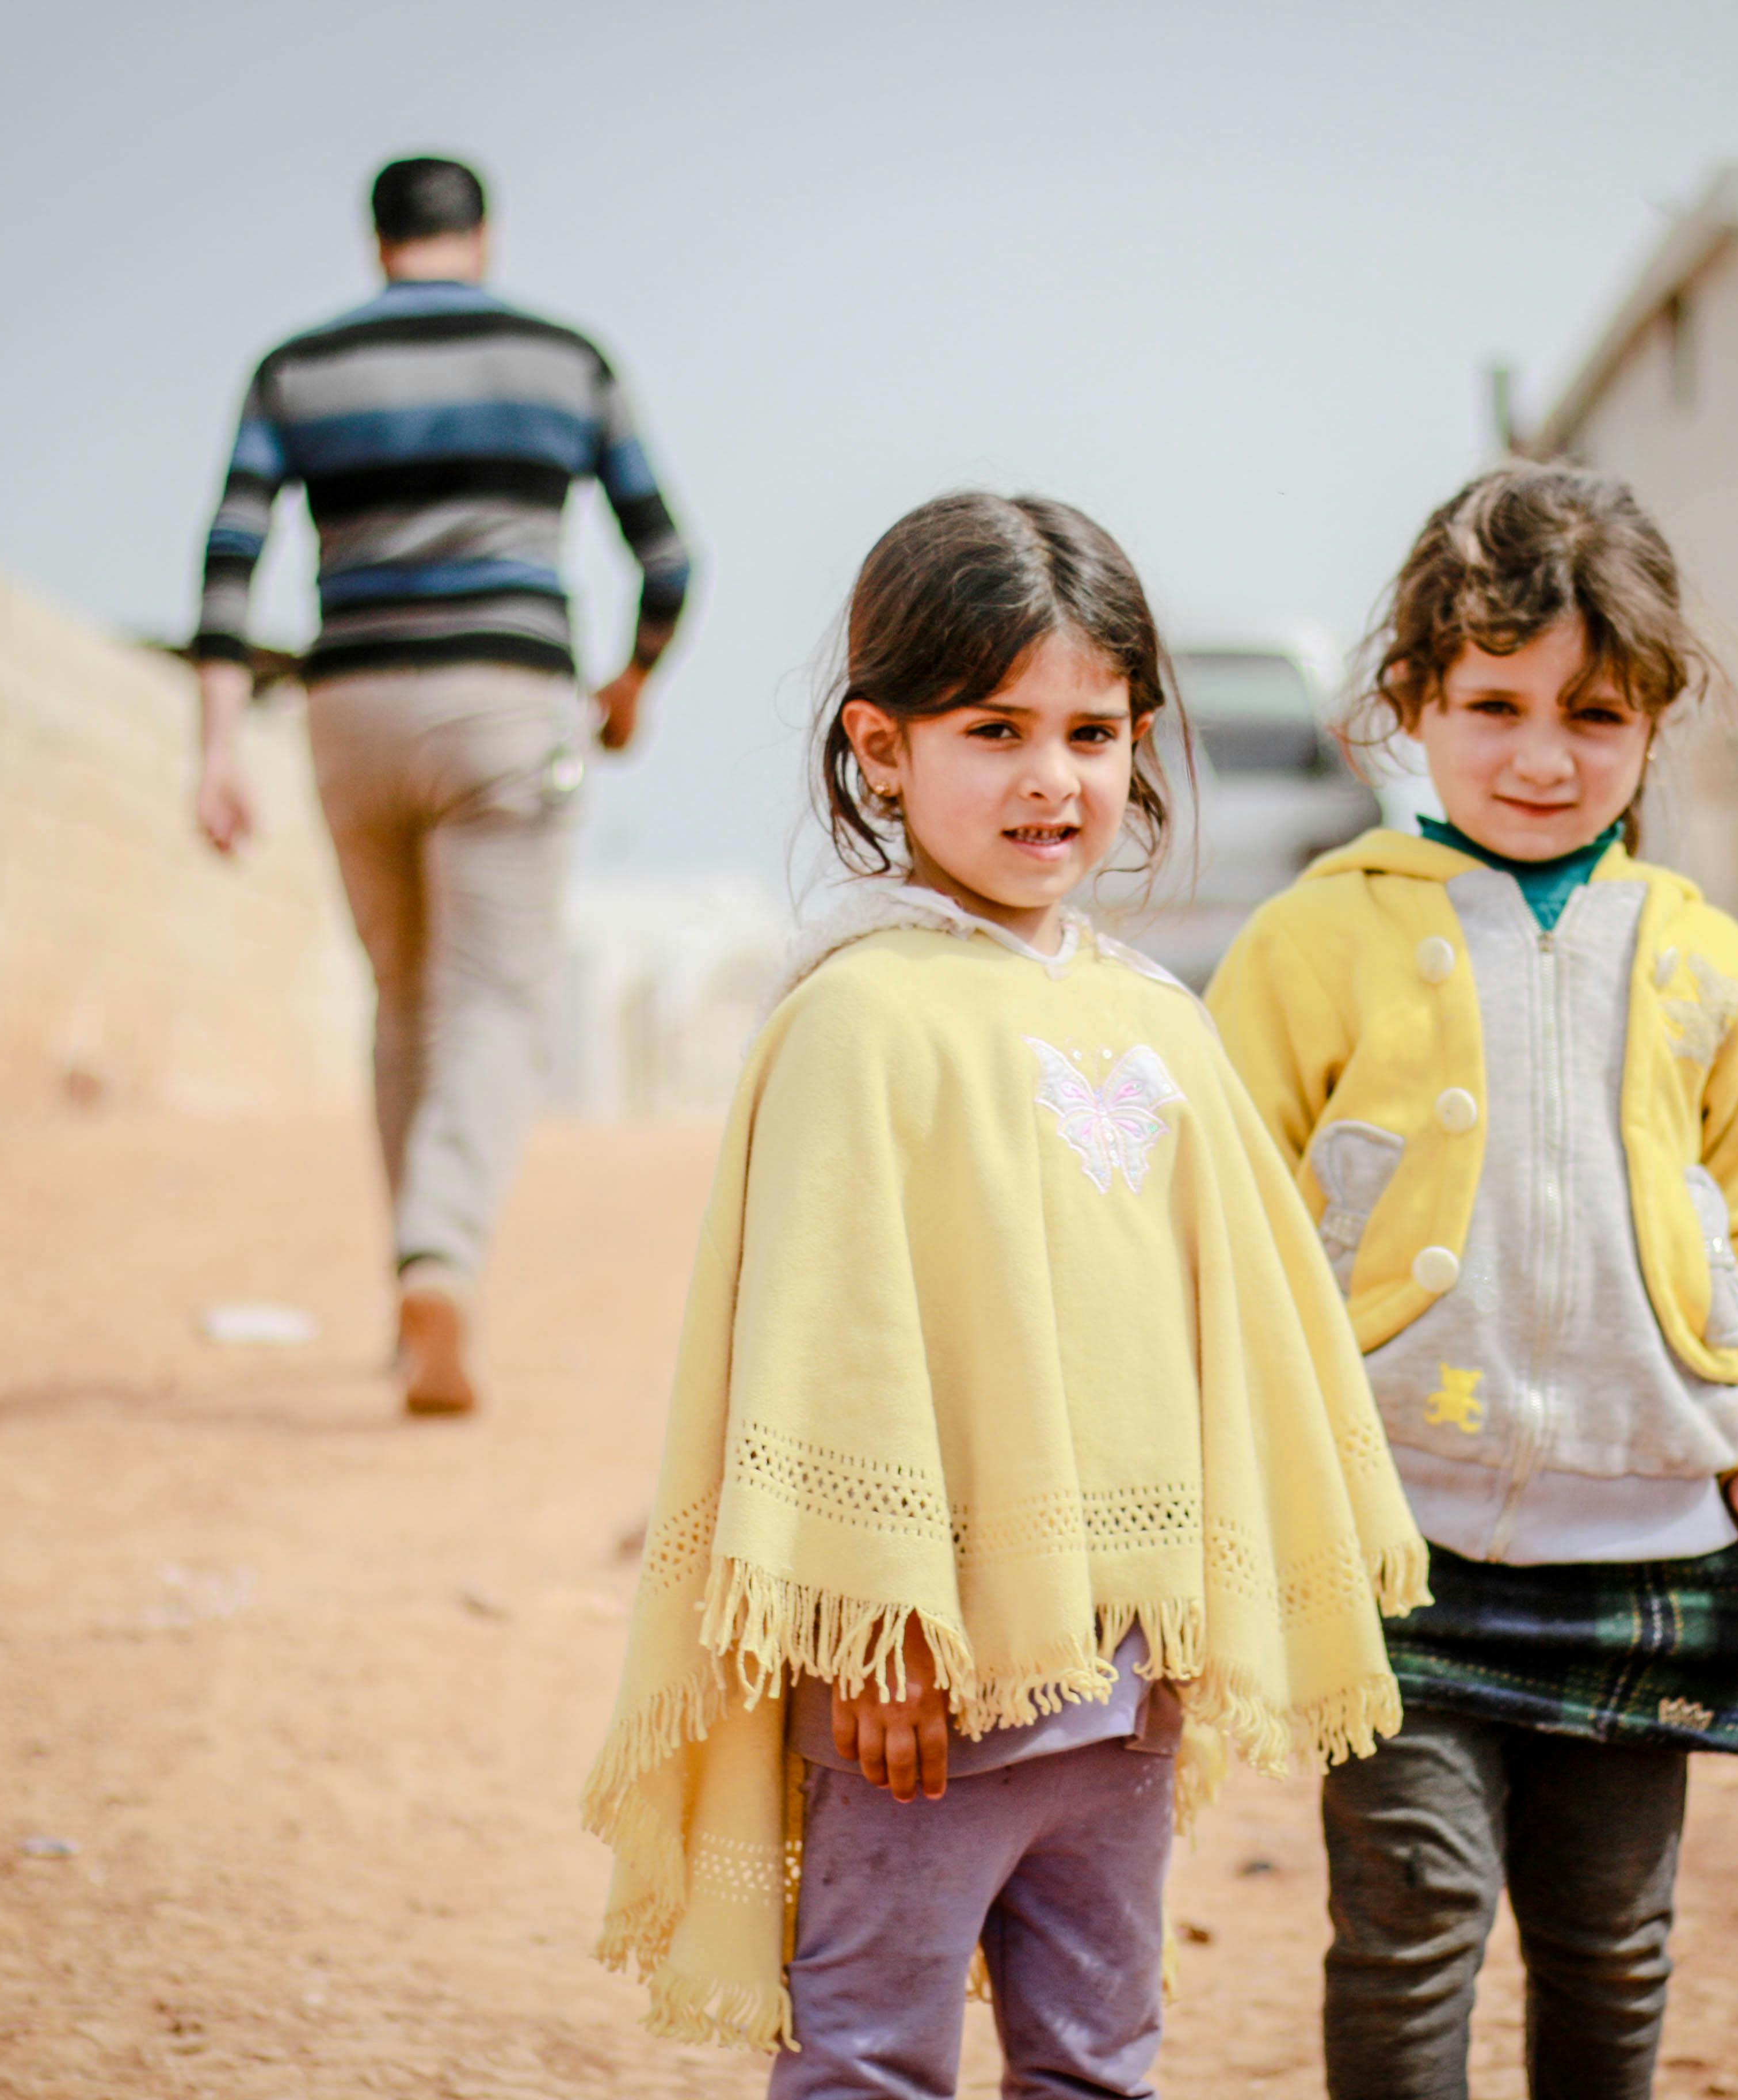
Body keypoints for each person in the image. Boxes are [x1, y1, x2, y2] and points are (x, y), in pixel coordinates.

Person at [578, 492, 1428, 2097]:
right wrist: (878, 1634)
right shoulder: (861, 1017)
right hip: (926, 1697)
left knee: (1101, 2057)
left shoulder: (1156, 1023)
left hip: (1125, 1690)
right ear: (881, 748)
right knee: (871, 2056)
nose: (1053, 778)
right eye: (994, 729)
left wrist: (1203, 1606)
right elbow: (834, 1344)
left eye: (1092, 734)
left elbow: (1242, 1331)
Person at [1205, 464, 1738, 2100]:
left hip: (1646, 1534)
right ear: (1412, 698)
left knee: (1614, 1941)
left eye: (1595, 716)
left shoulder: (1707, 962)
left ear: (1656, 722)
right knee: (1411, 1921)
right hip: (1391, 1537)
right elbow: (1230, 1231)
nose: (1544, 758)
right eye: (1495, 706)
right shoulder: (1310, 945)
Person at [186, 154, 693, 1417]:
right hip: (508, 707)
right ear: (485, 234)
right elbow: (669, 558)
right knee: (492, 1003)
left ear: (378, 243)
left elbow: (230, 560)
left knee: (404, 1000)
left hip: (350, 710)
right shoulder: (567, 361)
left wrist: (215, 748)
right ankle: (440, 1261)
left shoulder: (297, 370)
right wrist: (631, 681)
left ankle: (412, 1281)